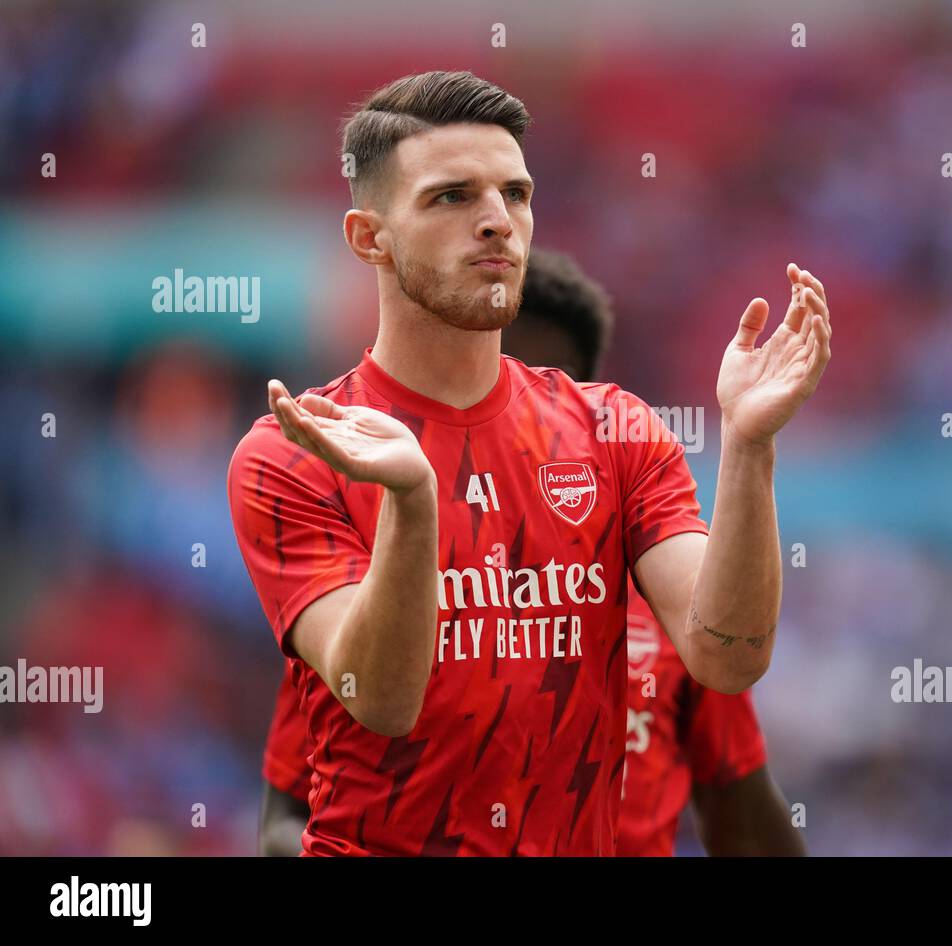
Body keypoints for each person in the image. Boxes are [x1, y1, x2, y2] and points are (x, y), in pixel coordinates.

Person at [228, 70, 831, 856]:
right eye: (451, 197)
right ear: (369, 237)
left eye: (514, 194)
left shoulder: (615, 428)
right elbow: (375, 696)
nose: (496, 222)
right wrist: (414, 501)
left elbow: (727, 657)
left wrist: (749, 447)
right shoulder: (292, 451)